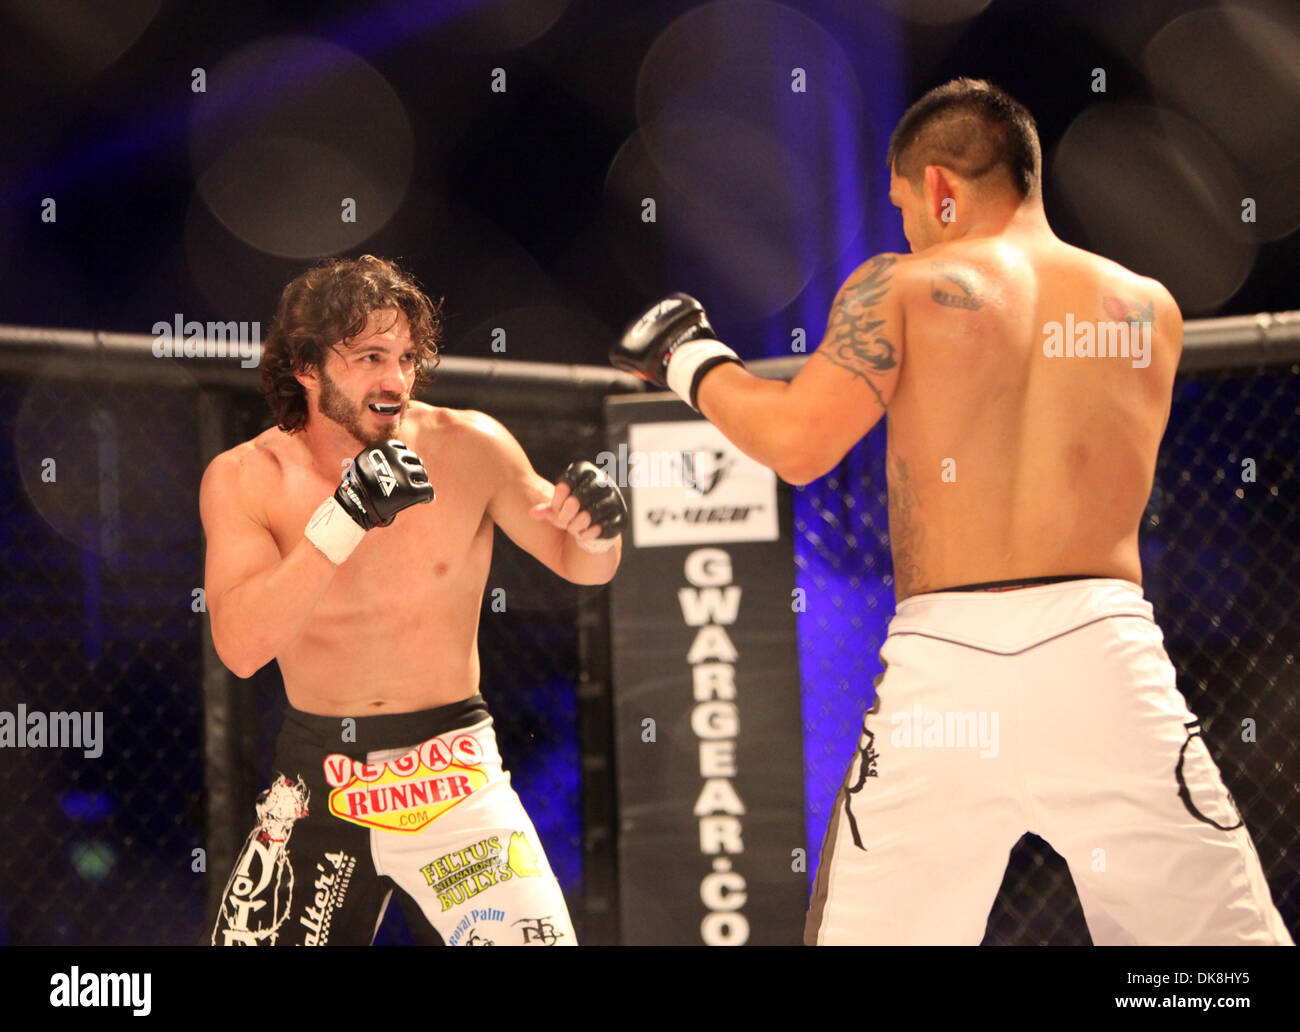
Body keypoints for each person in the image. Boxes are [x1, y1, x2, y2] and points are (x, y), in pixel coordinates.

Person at [610, 79, 1292, 945]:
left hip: (948, 674)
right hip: (1107, 662)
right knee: (1212, 967)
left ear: (939, 187)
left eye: (905, 208)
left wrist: (686, 356)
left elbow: (797, 444)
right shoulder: (1145, 308)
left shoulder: (904, 284)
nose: (905, 230)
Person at [203, 254, 626, 945]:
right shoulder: (248, 479)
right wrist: (341, 521)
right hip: (319, 782)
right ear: (308, 367)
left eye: (405, 357)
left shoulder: (471, 446)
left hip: (454, 775)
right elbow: (241, 649)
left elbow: (581, 563)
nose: (395, 380)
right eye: (370, 356)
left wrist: (600, 529)